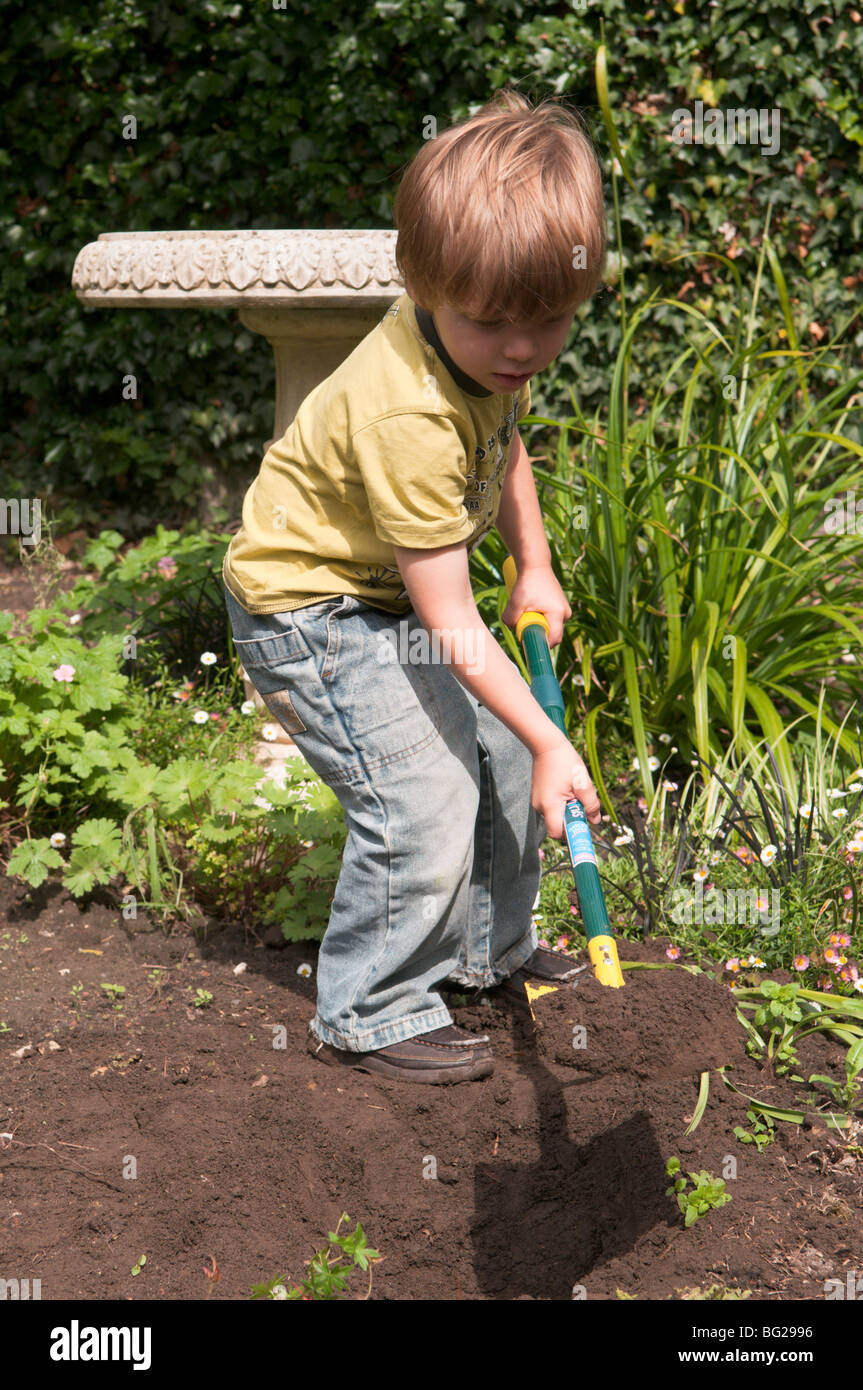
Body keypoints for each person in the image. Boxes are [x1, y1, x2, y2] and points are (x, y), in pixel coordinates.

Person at [222, 87, 606, 1083]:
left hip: (381, 596)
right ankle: (372, 1004)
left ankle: (487, 954)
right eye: (494, 326)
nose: (522, 350)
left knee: (503, 765)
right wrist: (553, 735)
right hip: (306, 607)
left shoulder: (484, 346)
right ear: (423, 281)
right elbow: (450, 622)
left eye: (549, 322)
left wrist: (535, 562)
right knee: (423, 793)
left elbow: (506, 436)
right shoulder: (408, 416)